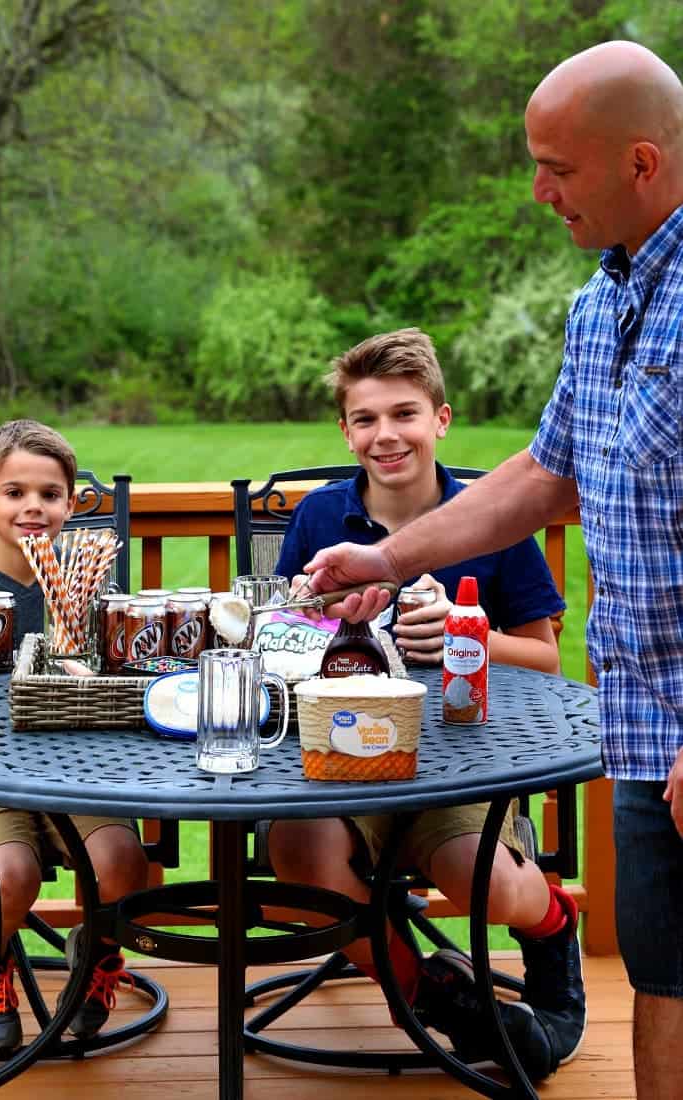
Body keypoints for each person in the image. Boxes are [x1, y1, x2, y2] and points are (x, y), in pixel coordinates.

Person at [302, 40, 683, 1100]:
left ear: (641, 162)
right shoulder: (600, 302)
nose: (538, 188)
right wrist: (382, 554)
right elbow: (545, 474)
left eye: (557, 164)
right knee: (666, 977)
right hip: (647, 718)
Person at [269, 328, 583, 1081]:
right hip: (340, 758)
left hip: (464, 757)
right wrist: (318, 627)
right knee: (295, 856)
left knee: (484, 882)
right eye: (367, 419)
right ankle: (431, 995)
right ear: (345, 432)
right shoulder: (320, 519)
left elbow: (545, 656)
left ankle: (552, 922)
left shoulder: (493, 520)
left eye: (404, 414)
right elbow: (277, 638)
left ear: (441, 420)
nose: (387, 436)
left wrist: (464, 632)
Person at [0, 420, 149, 1057]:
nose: (33, 507)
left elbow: (123, 677)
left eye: (50, 494)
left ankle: (98, 951)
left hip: (79, 765)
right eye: (14, 492)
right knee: (13, 873)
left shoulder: (93, 593)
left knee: (123, 863)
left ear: (71, 506)